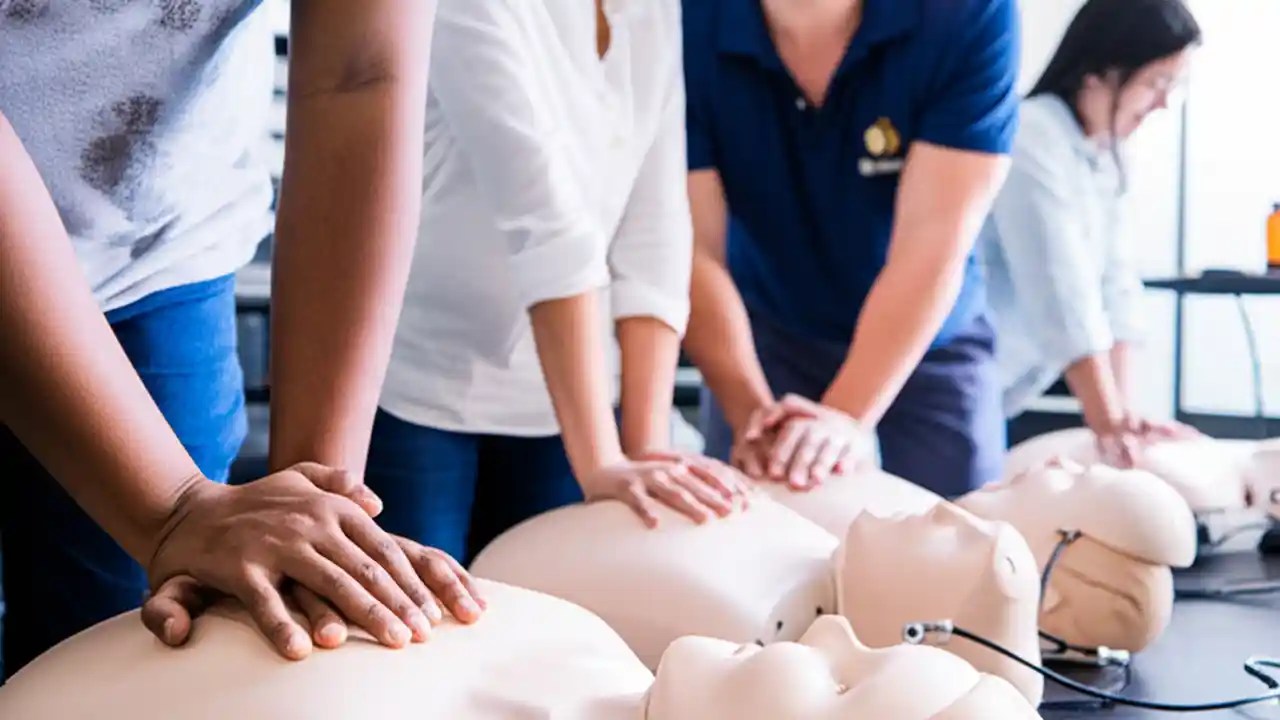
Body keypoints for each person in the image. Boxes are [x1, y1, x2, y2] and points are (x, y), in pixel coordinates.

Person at [0, 1, 482, 679]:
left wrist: (313, 507)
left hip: (157, 262)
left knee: (132, 668)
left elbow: (360, 74)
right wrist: (173, 512)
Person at [364, 0, 750, 564]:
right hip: (425, 391)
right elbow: (547, 222)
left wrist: (645, 446)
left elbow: (656, 226)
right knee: (422, 628)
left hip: (569, 400)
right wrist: (601, 462)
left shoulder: (654, 10)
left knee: (549, 632)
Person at [681, 0, 1020, 498]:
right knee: (749, 540)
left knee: (963, 543)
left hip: (926, 337)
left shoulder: (967, 12)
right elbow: (690, 251)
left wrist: (844, 417)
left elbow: (933, 241)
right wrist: (753, 416)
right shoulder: (681, 22)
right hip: (768, 327)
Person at [977, 0, 1202, 465]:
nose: (1162, 103)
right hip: (960, 374)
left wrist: (1124, 414)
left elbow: (1117, 291)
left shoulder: (1105, 156)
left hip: (1006, 385)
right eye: (1156, 82)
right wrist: (1109, 423)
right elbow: (1061, 290)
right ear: (1099, 71)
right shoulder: (1031, 136)